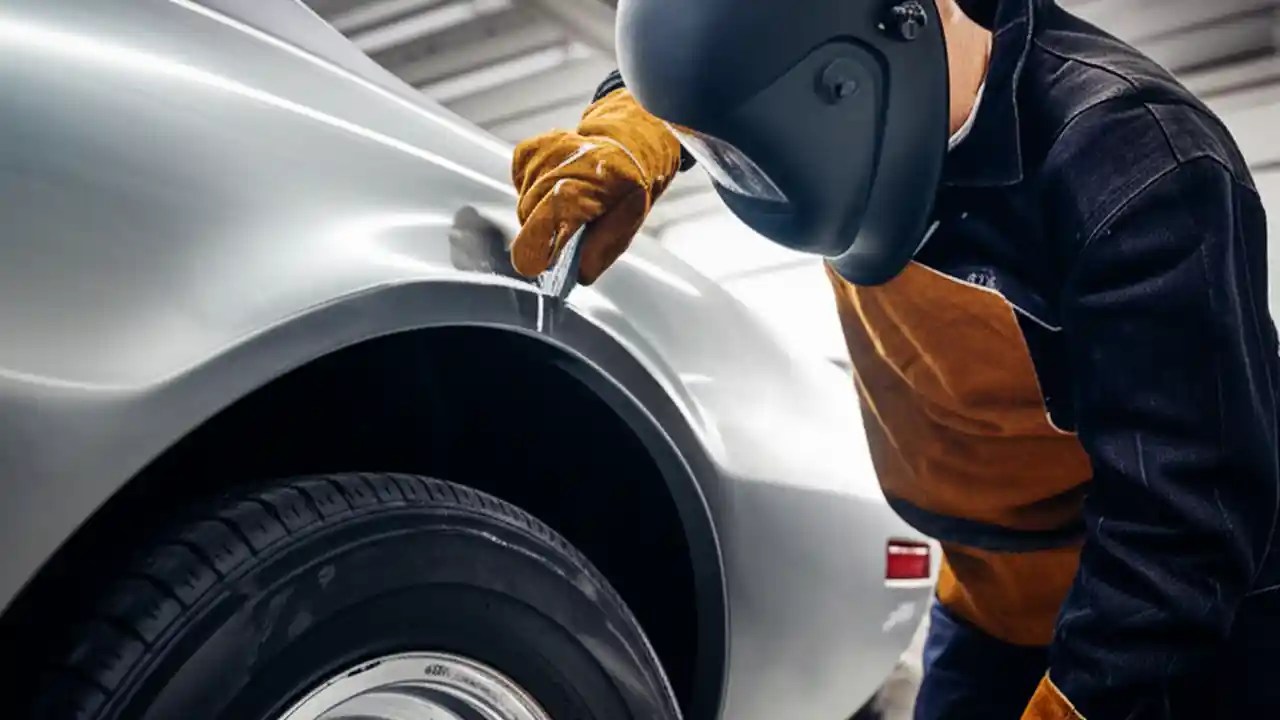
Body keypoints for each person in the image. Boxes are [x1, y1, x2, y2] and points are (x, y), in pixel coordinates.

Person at [508, 0, 1280, 717]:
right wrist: (634, 119)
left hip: (1186, 614)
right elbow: (727, 43)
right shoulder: (828, 90)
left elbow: (1182, 529)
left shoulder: (1134, 163)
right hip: (986, 599)